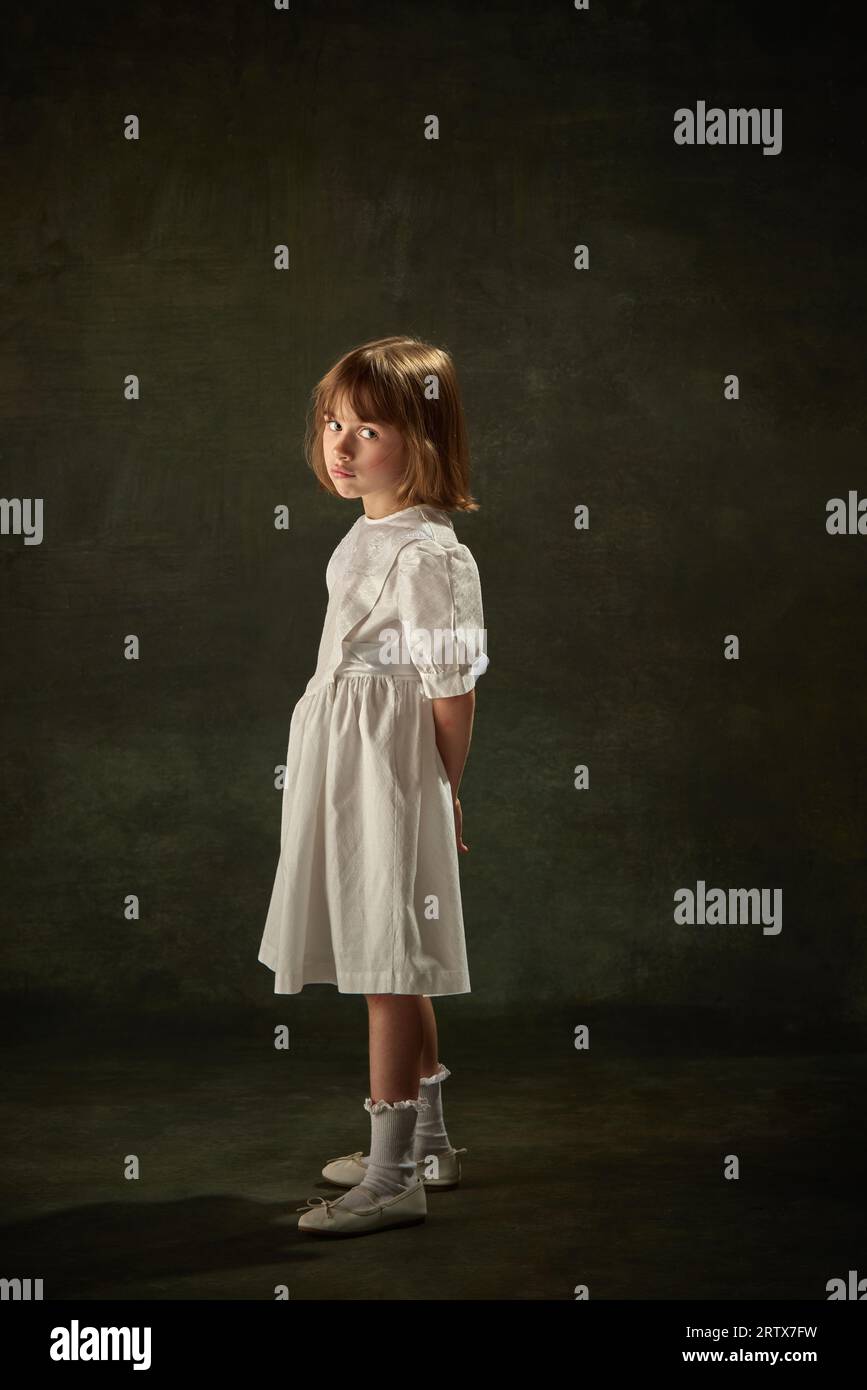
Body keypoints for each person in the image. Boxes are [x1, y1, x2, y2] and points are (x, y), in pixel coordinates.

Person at [258, 335, 490, 1237]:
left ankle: (393, 1177)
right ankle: (427, 1139)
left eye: (366, 429)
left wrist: (442, 785)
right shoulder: (367, 532)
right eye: (331, 425)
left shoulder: (431, 554)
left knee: (386, 965)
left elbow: (451, 683)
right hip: (347, 755)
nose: (339, 447)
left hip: (387, 765)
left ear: (422, 440)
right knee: (391, 947)